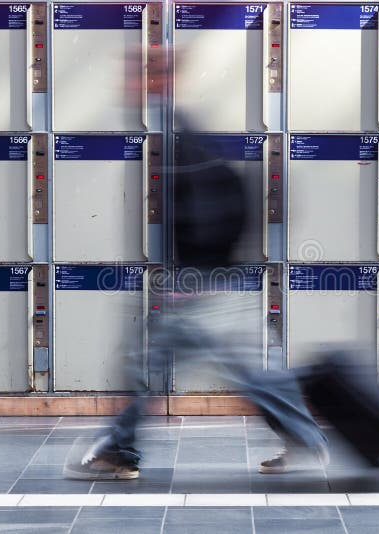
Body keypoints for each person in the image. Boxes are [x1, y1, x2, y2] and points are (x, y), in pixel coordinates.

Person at [63, 123, 328, 481]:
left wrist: (196, 274)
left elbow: (206, 224)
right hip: (216, 286)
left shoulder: (189, 162)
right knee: (257, 374)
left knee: (143, 365)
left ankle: (116, 452)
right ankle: (306, 441)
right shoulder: (207, 162)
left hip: (198, 291)